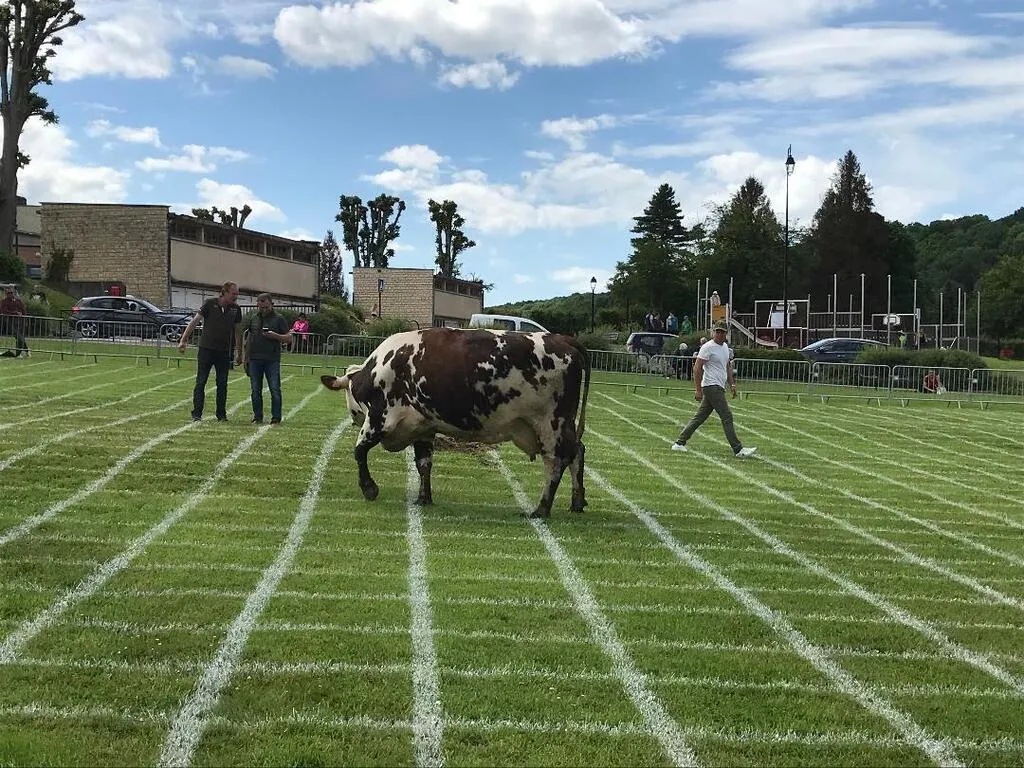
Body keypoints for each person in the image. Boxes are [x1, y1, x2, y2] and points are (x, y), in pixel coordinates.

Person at [671, 320, 757, 458]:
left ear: (726, 333)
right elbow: (697, 368)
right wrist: (698, 389)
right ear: (713, 332)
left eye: (722, 331)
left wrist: (732, 384)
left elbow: (728, 366)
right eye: (717, 331)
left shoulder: (724, 348)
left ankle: (679, 443)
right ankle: (738, 449)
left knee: (699, 417)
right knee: (727, 416)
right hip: (711, 386)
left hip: (719, 386)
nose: (719, 334)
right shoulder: (707, 347)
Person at [178, 281, 243, 422]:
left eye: (237, 294)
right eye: (234, 293)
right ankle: (197, 413)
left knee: (222, 384)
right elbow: (195, 321)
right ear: (224, 292)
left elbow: (238, 332)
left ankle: (221, 414)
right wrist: (183, 340)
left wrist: (239, 352)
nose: (236, 296)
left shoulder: (236, 309)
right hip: (206, 349)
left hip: (224, 351)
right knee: (201, 381)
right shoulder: (209, 304)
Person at [243, 293, 291, 425]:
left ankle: (276, 417)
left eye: (266, 307)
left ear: (272, 304)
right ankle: (257, 416)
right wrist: (246, 358)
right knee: (255, 389)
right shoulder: (254, 318)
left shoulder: (279, 319)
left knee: (274, 388)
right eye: (261, 307)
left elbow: (289, 338)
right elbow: (249, 339)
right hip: (254, 358)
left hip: (272, 359)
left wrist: (275, 336)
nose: (263, 310)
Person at [1, 285, 29, 358]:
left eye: (11, 293)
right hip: (10, 323)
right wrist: (15, 313)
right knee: (19, 337)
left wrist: (25, 320)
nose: (10, 294)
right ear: (6, 294)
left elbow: (24, 311)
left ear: (14, 293)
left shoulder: (19, 301)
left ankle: (26, 350)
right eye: (8, 293)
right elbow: (4, 311)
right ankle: (19, 353)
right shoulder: (4, 302)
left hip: (20, 323)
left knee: (20, 338)